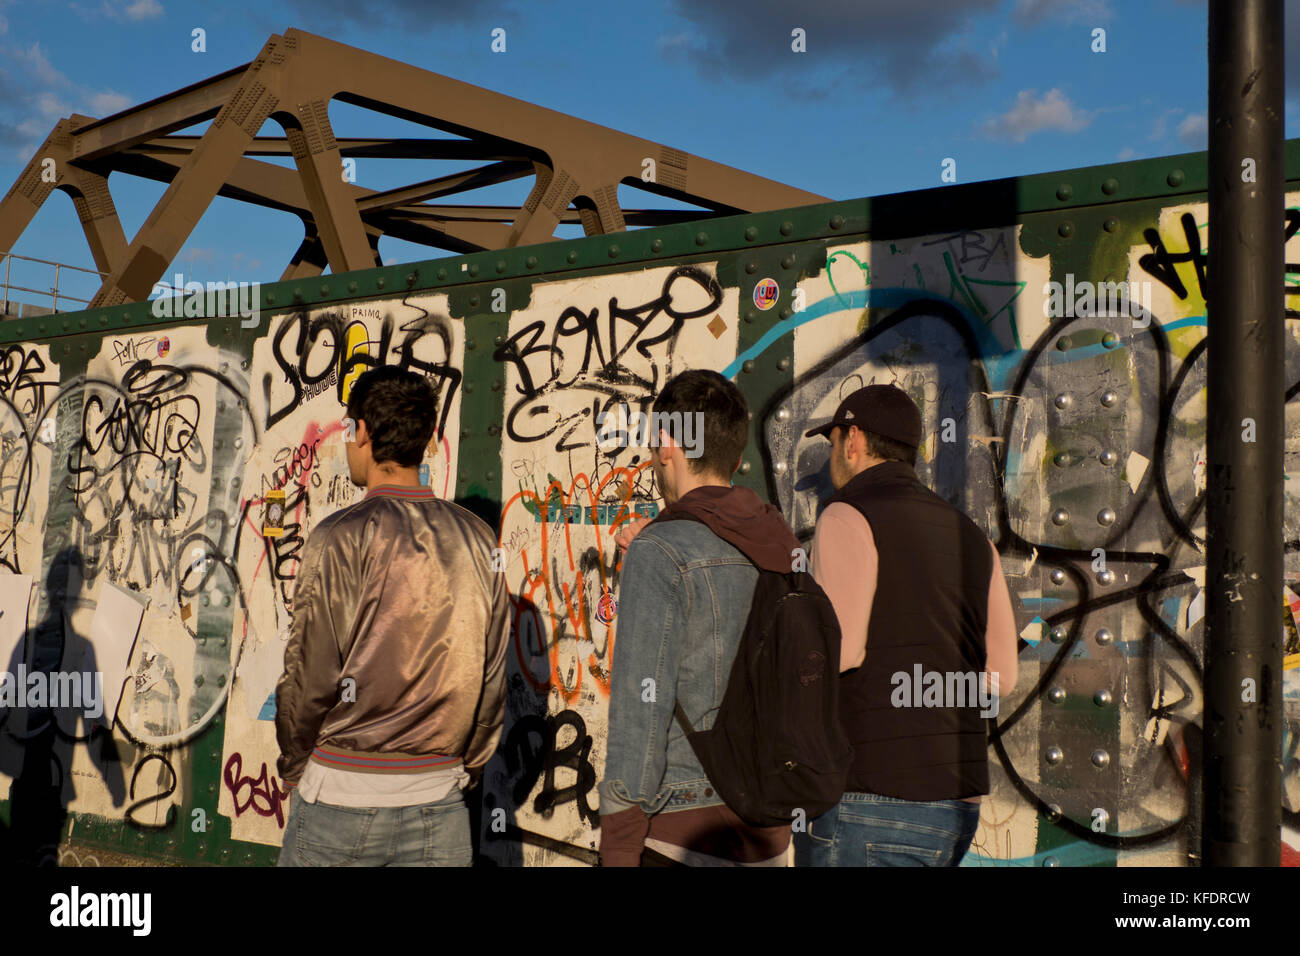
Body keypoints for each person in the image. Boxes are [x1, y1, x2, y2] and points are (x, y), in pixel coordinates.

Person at [275, 365, 509, 867]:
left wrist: (294, 763)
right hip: (439, 809)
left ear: (362, 431)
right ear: (425, 440)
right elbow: (490, 680)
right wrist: (457, 766)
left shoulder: (339, 536)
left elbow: (309, 674)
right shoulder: (477, 540)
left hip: (337, 802)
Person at [794, 383, 1018, 867]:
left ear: (852, 440)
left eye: (833, 442)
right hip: (956, 806)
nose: (833, 456)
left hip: (867, 799)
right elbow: (1003, 675)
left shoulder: (846, 515)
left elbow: (841, 650)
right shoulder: (974, 538)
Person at [598, 369, 798, 866]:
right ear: (734, 456)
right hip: (769, 831)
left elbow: (641, 712)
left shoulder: (659, 552)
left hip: (683, 832)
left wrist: (619, 846)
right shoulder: (785, 546)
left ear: (668, 444)